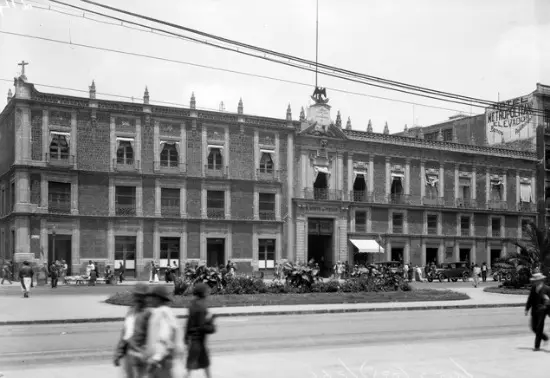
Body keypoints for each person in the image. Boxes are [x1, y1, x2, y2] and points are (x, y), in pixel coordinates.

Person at [146, 285, 185, 377]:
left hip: (162, 363)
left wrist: (156, 359)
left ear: (158, 298)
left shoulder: (161, 314)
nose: (150, 299)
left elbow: (164, 338)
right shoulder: (167, 312)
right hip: (165, 361)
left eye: (152, 296)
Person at [114, 283, 150, 378]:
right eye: (137, 295)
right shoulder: (131, 311)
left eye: (141, 296)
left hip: (141, 355)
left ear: (145, 297)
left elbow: (153, 335)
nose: (138, 298)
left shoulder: (148, 313)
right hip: (129, 353)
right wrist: (119, 352)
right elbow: (125, 333)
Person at [184, 283, 216, 378]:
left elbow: (189, 323)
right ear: (203, 294)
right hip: (199, 342)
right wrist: (211, 324)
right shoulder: (202, 307)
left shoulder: (192, 305)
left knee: (193, 366)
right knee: (203, 365)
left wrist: (185, 337)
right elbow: (202, 326)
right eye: (207, 292)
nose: (208, 294)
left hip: (193, 340)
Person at [525, 273, 550, 351]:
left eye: (535, 281)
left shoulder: (547, 289)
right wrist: (527, 308)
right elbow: (530, 299)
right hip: (534, 311)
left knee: (539, 327)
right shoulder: (533, 288)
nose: (534, 282)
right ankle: (545, 337)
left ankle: (537, 346)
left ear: (540, 280)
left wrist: (547, 303)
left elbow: (549, 301)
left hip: (543, 311)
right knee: (533, 327)